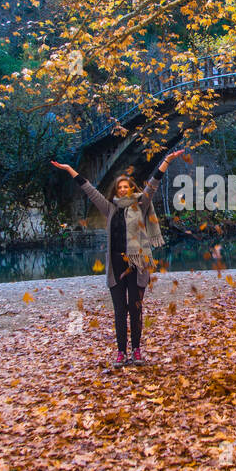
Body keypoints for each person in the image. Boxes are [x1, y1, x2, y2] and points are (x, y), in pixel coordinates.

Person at [52, 149, 185, 364]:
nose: (123, 190)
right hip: (116, 265)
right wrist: (69, 170)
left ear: (132, 189)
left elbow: (153, 184)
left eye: (126, 187)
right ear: (116, 190)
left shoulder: (140, 205)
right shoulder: (109, 208)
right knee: (119, 311)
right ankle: (121, 352)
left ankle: (136, 351)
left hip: (137, 265)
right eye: (120, 187)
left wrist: (167, 161)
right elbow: (90, 190)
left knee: (135, 309)